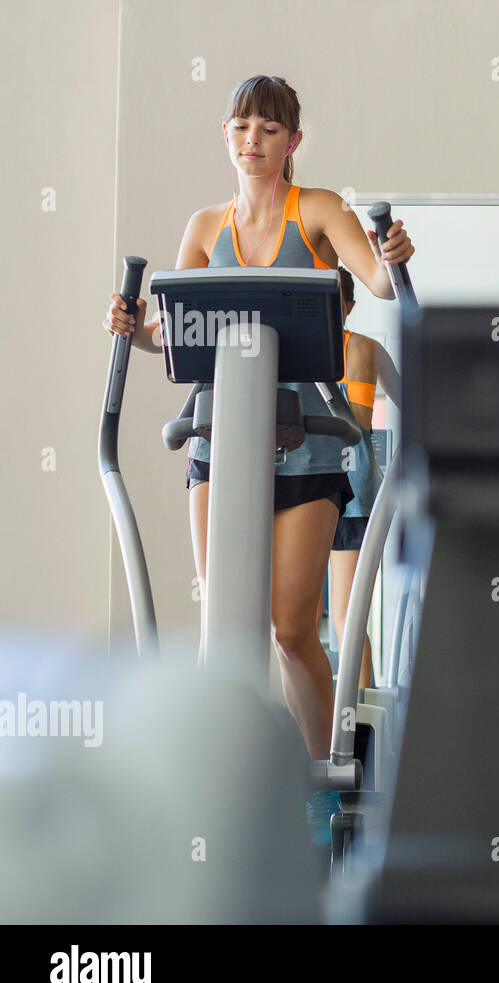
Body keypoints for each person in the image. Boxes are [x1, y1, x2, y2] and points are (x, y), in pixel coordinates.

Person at [102, 75, 413, 772]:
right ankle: (227, 782)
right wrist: (132, 327)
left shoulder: (321, 209)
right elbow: (170, 332)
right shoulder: (204, 227)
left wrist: (392, 255)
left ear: (292, 141)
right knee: (225, 622)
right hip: (219, 438)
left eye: (270, 130)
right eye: (242, 127)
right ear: (226, 135)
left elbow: (382, 282)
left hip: (307, 445)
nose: (253, 141)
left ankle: (326, 777)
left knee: (289, 630)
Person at [317, 267, 401, 691]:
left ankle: (358, 712)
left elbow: (359, 423)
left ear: (348, 307)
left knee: (347, 617)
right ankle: (324, 712)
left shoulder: (361, 348)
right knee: (309, 621)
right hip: (306, 484)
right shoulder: (298, 350)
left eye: (335, 303)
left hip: (352, 491)